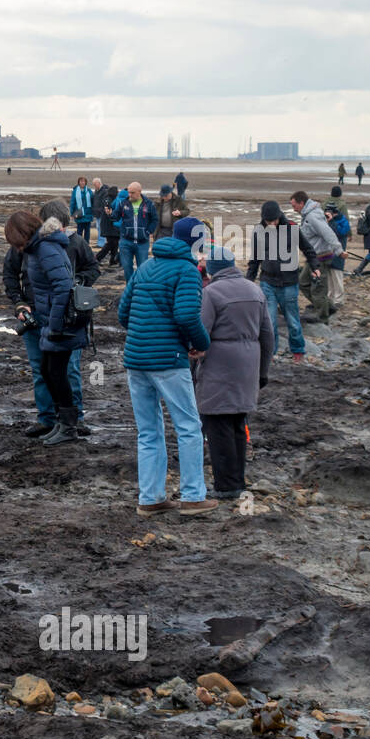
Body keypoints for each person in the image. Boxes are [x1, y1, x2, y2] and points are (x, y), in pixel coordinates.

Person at [116, 217, 216, 517]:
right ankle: (193, 496)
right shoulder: (186, 270)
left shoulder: (146, 266)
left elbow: (124, 312)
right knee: (188, 428)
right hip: (168, 361)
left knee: (148, 431)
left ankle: (150, 498)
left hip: (136, 360)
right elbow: (186, 315)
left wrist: (144, 331)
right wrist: (202, 343)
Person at [3, 201, 99, 439]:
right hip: (38, 315)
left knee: (67, 370)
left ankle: (71, 422)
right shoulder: (30, 247)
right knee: (44, 370)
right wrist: (19, 302)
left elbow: (71, 280)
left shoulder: (57, 245)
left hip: (59, 320)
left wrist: (76, 289)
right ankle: (50, 420)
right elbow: (10, 274)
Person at [195, 246, 273, 499]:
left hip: (220, 365)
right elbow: (268, 335)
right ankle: (238, 481)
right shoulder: (255, 290)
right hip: (249, 364)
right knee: (239, 422)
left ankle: (227, 486)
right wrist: (262, 371)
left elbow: (201, 332)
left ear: (214, 268)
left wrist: (192, 357)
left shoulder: (211, 292)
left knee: (218, 424)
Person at [247, 200, 310, 362]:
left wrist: (315, 265)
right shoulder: (258, 231)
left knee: (293, 321)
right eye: (269, 222)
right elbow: (254, 259)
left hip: (289, 283)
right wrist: (248, 280)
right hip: (267, 281)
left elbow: (307, 248)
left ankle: (298, 352)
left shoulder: (291, 228)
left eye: (274, 221)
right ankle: (270, 354)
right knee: (270, 322)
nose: (272, 224)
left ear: (279, 216)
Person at [290, 191, 342, 323]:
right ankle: (328, 307)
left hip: (321, 257)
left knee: (318, 288)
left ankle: (323, 318)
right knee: (303, 282)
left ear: (301, 203)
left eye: (294, 205)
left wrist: (339, 250)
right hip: (314, 256)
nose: (293, 208)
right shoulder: (310, 214)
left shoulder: (312, 216)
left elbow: (327, 233)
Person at [114, 181, 157, 282]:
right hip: (126, 241)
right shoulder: (123, 203)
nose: (130, 195)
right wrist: (110, 213)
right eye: (129, 192)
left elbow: (154, 220)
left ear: (139, 192)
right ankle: (130, 288)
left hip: (142, 242)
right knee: (127, 267)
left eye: (132, 193)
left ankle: (140, 287)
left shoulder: (149, 204)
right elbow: (115, 217)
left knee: (142, 268)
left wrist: (148, 232)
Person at [95, 184, 121, 266]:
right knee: (111, 243)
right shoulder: (108, 200)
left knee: (114, 243)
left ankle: (112, 260)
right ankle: (98, 257)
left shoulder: (111, 200)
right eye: (117, 192)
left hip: (112, 226)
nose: (118, 193)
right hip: (109, 226)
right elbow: (109, 213)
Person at [69, 176, 93, 241]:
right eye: (81, 181)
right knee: (79, 231)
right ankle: (79, 244)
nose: (82, 182)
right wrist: (71, 213)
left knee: (87, 232)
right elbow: (72, 202)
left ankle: (86, 244)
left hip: (88, 213)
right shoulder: (75, 191)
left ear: (86, 182)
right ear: (78, 182)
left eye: (84, 181)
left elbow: (93, 200)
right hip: (79, 214)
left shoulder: (89, 190)